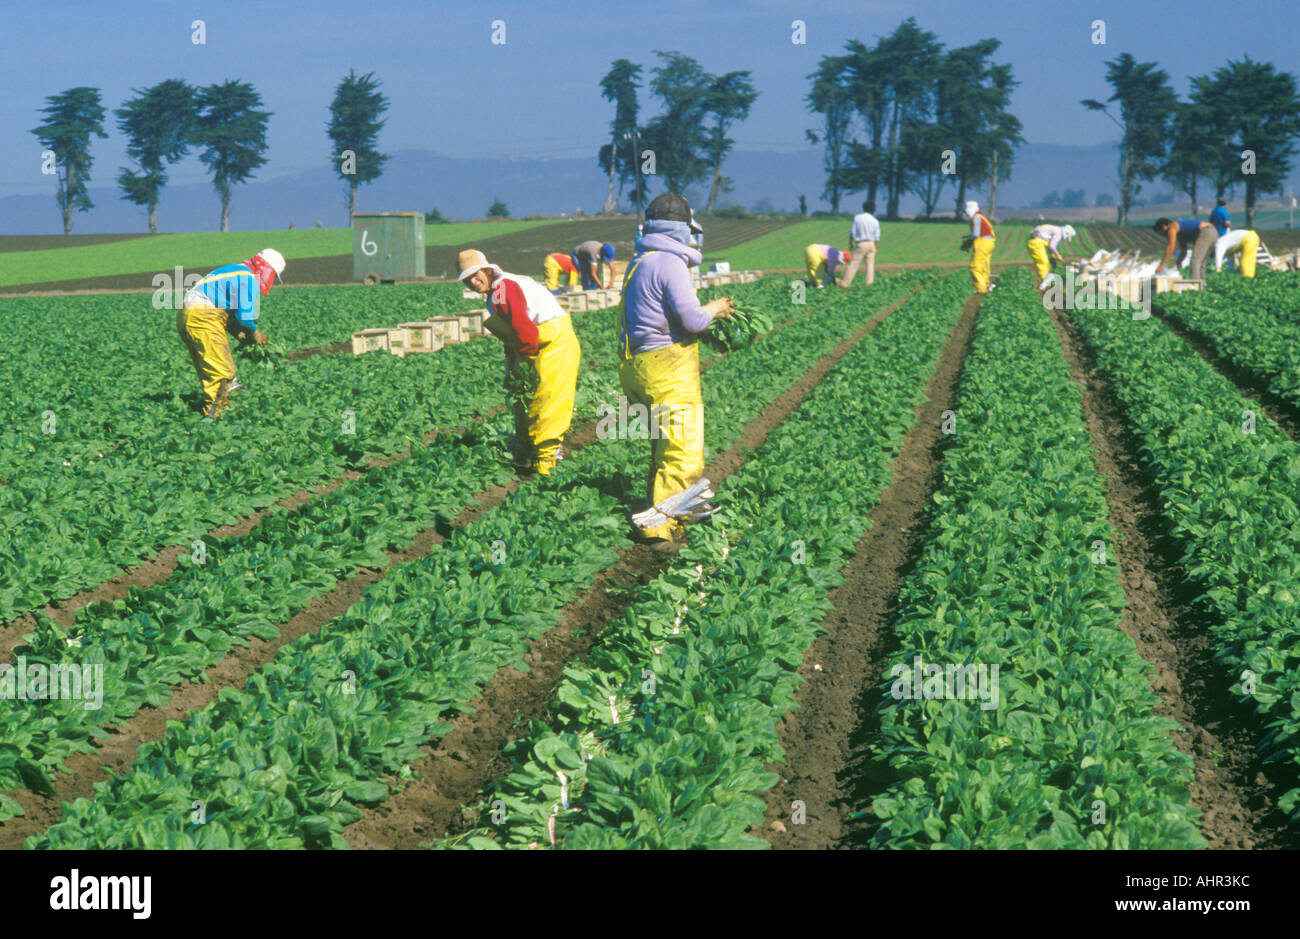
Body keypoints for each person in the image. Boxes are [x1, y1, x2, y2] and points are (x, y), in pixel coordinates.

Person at [619, 193, 733, 544]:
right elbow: (693, 320)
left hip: (637, 366)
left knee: (662, 445)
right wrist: (715, 308)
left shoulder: (640, 261)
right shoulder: (670, 263)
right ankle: (660, 530)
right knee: (682, 450)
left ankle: (659, 509)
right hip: (667, 367)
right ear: (681, 229)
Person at [459, 248, 581, 475]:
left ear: (487, 270)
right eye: (467, 279)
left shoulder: (505, 288)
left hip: (554, 339)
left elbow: (523, 329)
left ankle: (546, 463)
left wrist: (523, 360)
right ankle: (530, 452)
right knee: (526, 400)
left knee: (547, 400)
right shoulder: (495, 293)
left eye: (476, 275)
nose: (473, 282)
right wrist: (512, 365)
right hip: (536, 340)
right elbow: (512, 334)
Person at [178, 248, 285, 419]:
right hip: (203, 316)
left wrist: (237, 332)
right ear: (266, 270)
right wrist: (254, 333)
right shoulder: (248, 278)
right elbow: (244, 315)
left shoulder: (235, 270)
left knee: (210, 370)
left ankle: (218, 409)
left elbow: (220, 305)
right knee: (224, 373)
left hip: (188, 315)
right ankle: (212, 419)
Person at [1154, 217, 1217, 282]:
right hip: (1213, 232)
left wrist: (1161, 265)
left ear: (1164, 227)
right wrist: (1177, 263)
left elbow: (1171, 247)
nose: (1165, 236)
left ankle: (1195, 288)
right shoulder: (1180, 233)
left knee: (1195, 262)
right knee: (1201, 263)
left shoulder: (1172, 227)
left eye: (1161, 233)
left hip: (1206, 232)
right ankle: (1202, 288)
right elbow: (1184, 252)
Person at [839, 200, 881, 288]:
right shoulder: (875, 221)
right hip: (871, 244)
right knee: (870, 265)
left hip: (861, 243)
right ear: (874, 209)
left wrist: (850, 243)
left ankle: (845, 283)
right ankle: (869, 283)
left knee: (853, 264)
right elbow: (877, 237)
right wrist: (875, 248)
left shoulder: (858, 218)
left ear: (864, 208)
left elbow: (852, 233)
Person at [1026, 223, 1077, 288]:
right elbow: (1052, 246)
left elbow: (1049, 245)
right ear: (1066, 233)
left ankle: (1040, 282)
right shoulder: (1058, 234)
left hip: (1034, 241)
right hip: (1036, 243)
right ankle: (1044, 282)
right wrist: (1057, 255)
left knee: (1046, 265)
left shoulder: (1056, 229)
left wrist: (1053, 254)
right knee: (1043, 262)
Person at [964, 201, 996, 294]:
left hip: (982, 242)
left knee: (975, 266)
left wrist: (968, 239)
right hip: (989, 242)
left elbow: (976, 234)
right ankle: (985, 285)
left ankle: (980, 289)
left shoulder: (976, 217)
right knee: (984, 266)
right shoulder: (982, 217)